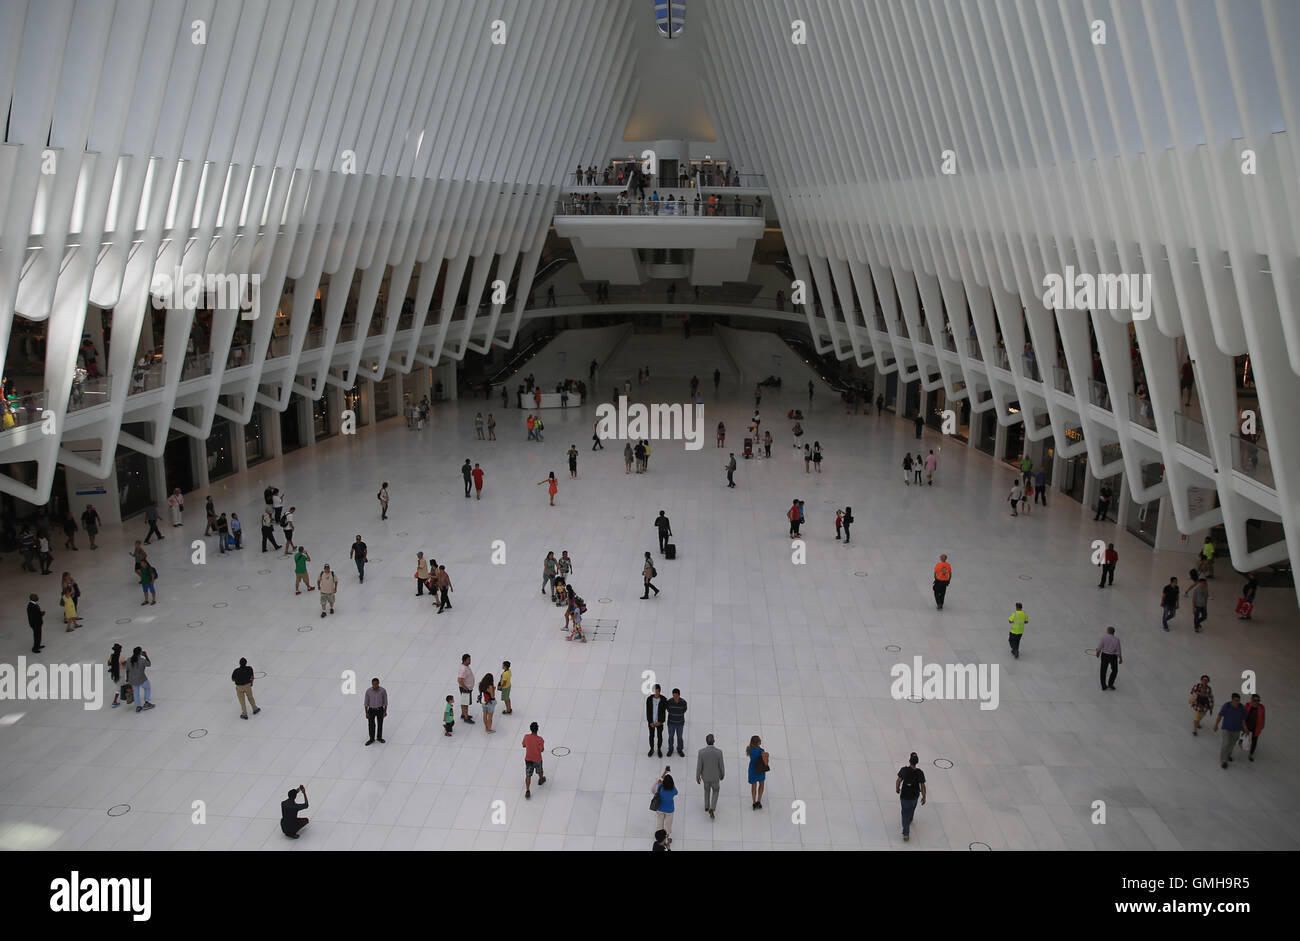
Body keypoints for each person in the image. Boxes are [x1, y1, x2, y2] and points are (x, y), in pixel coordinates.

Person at [896, 752, 927, 842]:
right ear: (917, 762)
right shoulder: (919, 772)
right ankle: (909, 820)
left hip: (905, 796)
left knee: (904, 813)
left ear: (909, 761)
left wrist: (897, 788)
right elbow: (922, 786)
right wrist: (924, 797)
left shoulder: (904, 770)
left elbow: (898, 780)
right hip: (914, 796)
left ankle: (906, 833)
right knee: (912, 809)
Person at [1213, 692, 1247, 769]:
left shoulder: (1241, 708)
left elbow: (1243, 719)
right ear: (1232, 700)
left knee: (1232, 744)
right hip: (1226, 728)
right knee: (1226, 743)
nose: (1237, 702)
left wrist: (1245, 728)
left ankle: (1228, 755)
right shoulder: (1227, 706)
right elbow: (1220, 715)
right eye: (1236, 700)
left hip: (1236, 729)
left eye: (1238, 700)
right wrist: (1216, 725)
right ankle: (1224, 760)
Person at [696, 733, 725, 818]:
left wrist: (697, 776)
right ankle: (712, 807)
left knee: (706, 790)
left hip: (705, 777)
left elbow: (699, 766)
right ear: (714, 741)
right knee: (716, 791)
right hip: (715, 777)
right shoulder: (719, 752)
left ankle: (706, 806)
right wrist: (722, 774)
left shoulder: (701, 752)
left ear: (706, 741)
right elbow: (721, 765)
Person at [651, 770, 677, 844]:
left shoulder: (660, 788)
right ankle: (667, 838)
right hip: (669, 810)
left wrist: (664, 772)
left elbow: (660, 780)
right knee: (668, 825)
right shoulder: (673, 790)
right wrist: (673, 784)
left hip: (659, 808)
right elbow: (676, 792)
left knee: (660, 823)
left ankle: (659, 837)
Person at [523, 721, 546, 798]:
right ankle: (541, 779)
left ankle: (527, 790)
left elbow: (523, 745)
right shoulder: (540, 739)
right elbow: (542, 750)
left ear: (530, 729)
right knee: (539, 770)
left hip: (528, 759)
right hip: (537, 759)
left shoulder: (526, 737)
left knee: (528, 775)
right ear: (537, 729)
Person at [127, 647, 154, 713]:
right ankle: (146, 702)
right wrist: (146, 656)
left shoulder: (129, 660)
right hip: (141, 678)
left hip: (132, 679)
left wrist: (127, 679)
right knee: (147, 688)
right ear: (140, 653)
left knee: (136, 693)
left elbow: (127, 670)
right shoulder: (142, 660)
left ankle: (138, 706)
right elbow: (149, 664)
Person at [1096, 626, 1122, 691]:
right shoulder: (1116, 639)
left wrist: (1098, 652)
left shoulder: (1104, 637)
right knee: (1115, 670)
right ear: (1113, 632)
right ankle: (1110, 684)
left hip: (1104, 655)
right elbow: (1118, 649)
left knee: (1103, 671)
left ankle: (1104, 686)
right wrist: (1120, 658)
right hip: (1113, 656)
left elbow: (1100, 646)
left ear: (1108, 631)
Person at [363, 677, 387, 745]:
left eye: (376, 684)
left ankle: (379, 737)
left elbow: (385, 702)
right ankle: (371, 739)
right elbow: (366, 703)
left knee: (380, 723)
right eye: (373, 684)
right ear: (372, 684)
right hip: (371, 710)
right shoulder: (368, 691)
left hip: (380, 709)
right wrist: (366, 712)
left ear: (378, 683)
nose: (375, 685)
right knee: (371, 725)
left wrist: (385, 711)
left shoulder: (383, 691)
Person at [747, 735, 768, 810]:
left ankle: (754, 802)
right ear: (757, 742)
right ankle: (759, 800)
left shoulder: (750, 750)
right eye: (759, 740)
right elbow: (765, 762)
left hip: (753, 770)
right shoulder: (761, 751)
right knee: (761, 785)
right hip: (760, 769)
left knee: (753, 786)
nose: (761, 741)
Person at [665, 688, 687, 757]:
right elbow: (668, 710)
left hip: (680, 724)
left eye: (676, 695)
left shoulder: (683, 702)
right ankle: (670, 749)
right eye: (674, 695)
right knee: (671, 737)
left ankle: (680, 749)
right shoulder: (669, 702)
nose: (675, 697)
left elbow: (684, 710)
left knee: (680, 737)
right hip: (671, 723)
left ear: (679, 695)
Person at [646, 684, 667, 756]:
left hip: (659, 723)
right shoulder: (649, 699)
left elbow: (664, 712)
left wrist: (661, 721)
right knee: (651, 736)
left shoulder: (663, 699)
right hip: (651, 722)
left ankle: (659, 749)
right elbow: (648, 712)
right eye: (655, 691)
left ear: (660, 691)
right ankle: (651, 749)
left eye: (658, 691)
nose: (656, 693)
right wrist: (650, 722)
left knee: (659, 736)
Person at [1243, 694, 1265, 761]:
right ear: (1251, 700)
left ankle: (1251, 754)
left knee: (1254, 741)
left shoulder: (1261, 707)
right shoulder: (1247, 705)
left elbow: (1263, 717)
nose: (1256, 702)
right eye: (1255, 700)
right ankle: (1243, 745)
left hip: (1256, 727)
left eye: (1258, 700)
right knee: (1244, 737)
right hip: (1247, 725)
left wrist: (1262, 725)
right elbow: (1243, 716)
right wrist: (1244, 726)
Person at [457, 654, 475, 724]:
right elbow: (459, 680)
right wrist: (465, 687)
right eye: (469, 660)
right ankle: (466, 717)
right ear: (465, 660)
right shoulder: (463, 669)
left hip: (467, 688)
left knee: (464, 701)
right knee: (465, 703)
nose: (470, 661)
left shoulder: (466, 666)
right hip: (465, 689)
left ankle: (463, 714)